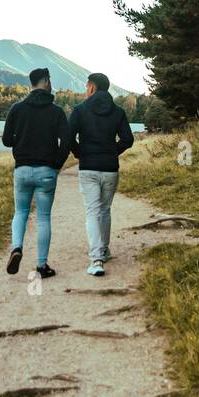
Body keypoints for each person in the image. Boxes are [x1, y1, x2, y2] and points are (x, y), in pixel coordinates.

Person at [2, 68, 70, 279]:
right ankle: (41, 265)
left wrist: (21, 140)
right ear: (47, 82)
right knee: (43, 218)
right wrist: (57, 165)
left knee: (20, 212)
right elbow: (66, 142)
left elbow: (6, 140)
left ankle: (17, 248)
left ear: (31, 84)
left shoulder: (17, 109)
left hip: (22, 169)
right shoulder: (57, 112)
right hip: (46, 171)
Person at [68, 72, 134, 276]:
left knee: (92, 211)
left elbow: (68, 137)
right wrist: (112, 151)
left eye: (86, 86)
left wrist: (80, 153)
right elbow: (128, 139)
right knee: (105, 210)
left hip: (88, 167)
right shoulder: (118, 112)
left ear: (92, 87)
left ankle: (96, 259)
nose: (85, 89)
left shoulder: (80, 110)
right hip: (110, 168)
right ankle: (103, 250)